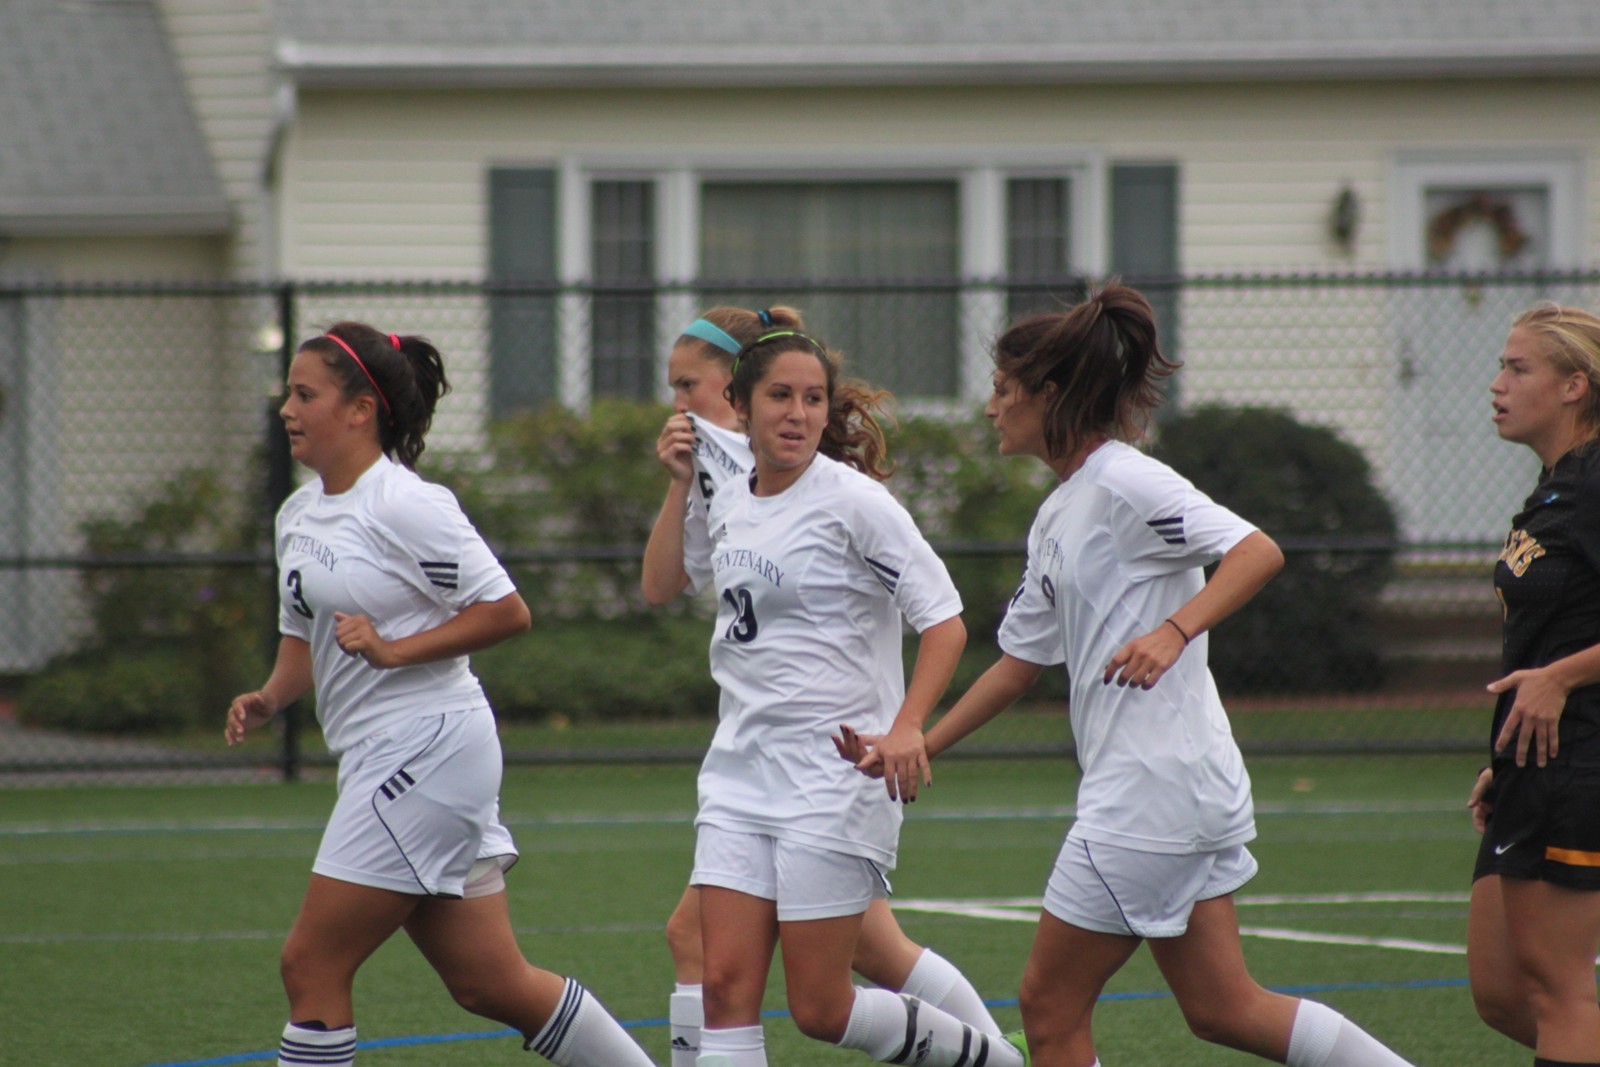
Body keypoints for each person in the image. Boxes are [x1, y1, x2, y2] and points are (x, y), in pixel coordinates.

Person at [839, 284, 1417, 1067]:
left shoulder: (1125, 481)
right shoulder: (1060, 510)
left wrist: (1174, 631)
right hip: (1176, 788)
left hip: (1149, 796)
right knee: (1223, 1007)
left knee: (1048, 1007)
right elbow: (1017, 667)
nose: (991, 407)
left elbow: (1257, 550)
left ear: (1050, 394)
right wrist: (918, 742)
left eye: (1004, 389)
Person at [226, 321, 656, 1067]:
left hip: (427, 749)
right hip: (387, 755)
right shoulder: (298, 512)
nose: (287, 409)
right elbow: (303, 638)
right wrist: (269, 696)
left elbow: (506, 611)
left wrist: (394, 650)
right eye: (288, 393)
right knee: (491, 983)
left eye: (304, 394)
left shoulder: (406, 504)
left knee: (311, 963)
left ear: (361, 409)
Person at [640, 307, 1005, 1066]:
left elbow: (944, 622)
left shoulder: (853, 501)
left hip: (830, 777)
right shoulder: (729, 493)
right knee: (725, 989)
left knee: (821, 1008)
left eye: (813, 399)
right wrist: (678, 485)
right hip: (739, 772)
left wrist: (907, 727)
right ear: (741, 405)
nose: (798, 413)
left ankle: (994, 1059)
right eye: (780, 396)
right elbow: (662, 584)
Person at [1467, 302, 1600, 1067]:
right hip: (1531, 764)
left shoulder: (1596, 480)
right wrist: (1504, 757)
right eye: (1501, 367)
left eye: (1519, 369)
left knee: (1558, 991)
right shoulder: (1555, 486)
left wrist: (1561, 677)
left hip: (1580, 762)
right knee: (1500, 992)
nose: (1498, 384)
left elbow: (1559, 661)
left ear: (1575, 384)